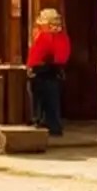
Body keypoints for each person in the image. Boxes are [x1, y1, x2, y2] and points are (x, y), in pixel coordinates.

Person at [27, 8, 71, 136]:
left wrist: (35, 67)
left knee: (48, 101)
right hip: (46, 71)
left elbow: (52, 55)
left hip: (46, 71)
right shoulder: (53, 35)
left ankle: (50, 125)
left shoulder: (51, 36)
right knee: (46, 100)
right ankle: (46, 123)